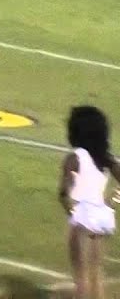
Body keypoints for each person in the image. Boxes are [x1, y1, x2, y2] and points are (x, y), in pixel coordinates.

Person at [59, 106, 120, 299]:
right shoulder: (106, 158)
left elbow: (63, 193)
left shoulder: (74, 158)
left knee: (81, 276)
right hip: (102, 217)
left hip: (83, 216)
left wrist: (73, 213)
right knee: (97, 273)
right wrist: (112, 202)